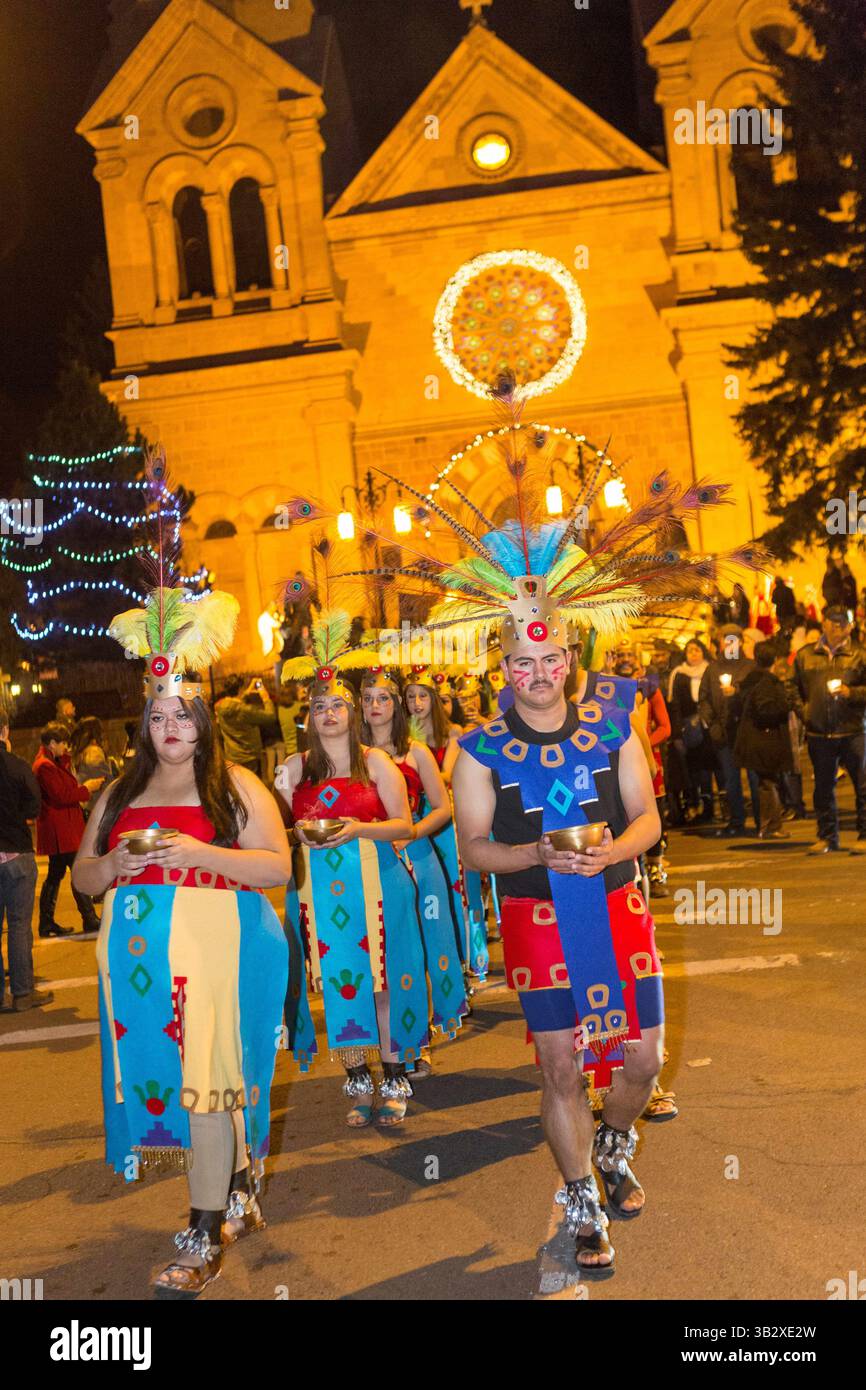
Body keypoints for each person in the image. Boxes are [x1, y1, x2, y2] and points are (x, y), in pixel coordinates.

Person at [76, 505, 289, 1300]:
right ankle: (232, 1186)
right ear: (145, 721)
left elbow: (278, 869)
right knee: (186, 1075)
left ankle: (200, 1232)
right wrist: (117, 867)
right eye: (158, 714)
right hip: (136, 959)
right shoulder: (120, 790)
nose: (171, 726)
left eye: (183, 714)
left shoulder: (233, 785)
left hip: (223, 947)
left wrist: (201, 855)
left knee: (207, 1075)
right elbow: (82, 879)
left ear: (204, 718)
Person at [277, 613, 428, 1127]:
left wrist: (357, 829)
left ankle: (394, 1075)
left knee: (382, 981)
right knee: (341, 982)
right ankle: (358, 1079)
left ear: (352, 712)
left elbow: (404, 826)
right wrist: (289, 818)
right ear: (310, 716)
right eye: (319, 707)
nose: (328, 714)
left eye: (337, 704)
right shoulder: (296, 769)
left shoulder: (377, 764)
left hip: (379, 885)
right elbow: (281, 834)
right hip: (320, 892)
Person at [360, 668, 469, 1073]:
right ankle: (385, 1042)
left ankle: (415, 1042)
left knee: (417, 952)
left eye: (384, 698)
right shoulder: (350, 753)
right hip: (370, 862)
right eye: (368, 699)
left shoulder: (415, 751)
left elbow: (443, 808)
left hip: (417, 860)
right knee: (382, 957)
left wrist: (411, 832)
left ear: (397, 705)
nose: (375, 707)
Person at [404, 667, 487, 982]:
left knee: (460, 889)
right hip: (413, 817)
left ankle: (472, 959)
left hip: (446, 819)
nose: (417, 703)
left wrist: (409, 766)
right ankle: (436, 961)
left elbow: (447, 775)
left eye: (423, 696)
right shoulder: (402, 739)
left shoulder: (451, 732)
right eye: (410, 697)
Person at [794, 606, 866, 854]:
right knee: (823, 788)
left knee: (863, 784)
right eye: (832, 622)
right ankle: (827, 837)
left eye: (842, 623)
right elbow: (792, 688)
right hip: (819, 732)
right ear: (823, 623)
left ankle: (864, 834)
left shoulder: (859, 654)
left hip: (853, 730)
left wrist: (852, 693)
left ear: (850, 626)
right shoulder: (805, 655)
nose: (837, 627)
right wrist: (805, 711)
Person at [0, 713, 52, 1013]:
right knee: (19, 925)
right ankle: (22, 993)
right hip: (16, 852)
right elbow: (34, 805)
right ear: (4, 729)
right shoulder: (17, 766)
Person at [33, 722, 102, 936]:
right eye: (63, 743)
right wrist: (86, 789)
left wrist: (64, 759)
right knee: (75, 872)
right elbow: (62, 795)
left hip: (62, 830)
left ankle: (47, 922)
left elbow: (64, 787)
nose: (66, 747)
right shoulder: (44, 766)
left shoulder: (51, 762)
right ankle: (88, 918)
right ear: (52, 743)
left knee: (56, 875)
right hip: (60, 830)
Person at [698, 626, 760, 836]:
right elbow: (704, 697)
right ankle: (736, 821)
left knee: (754, 777)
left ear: (741, 642)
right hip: (723, 732)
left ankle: (762, 820)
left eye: (733, 640)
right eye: (726, 640)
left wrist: (738, 692)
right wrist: (712, 723)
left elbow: (758, 694)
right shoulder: (713, 668)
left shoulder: (750, 666)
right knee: (731, 779)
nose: (729, 644)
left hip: (747, 731)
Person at [733, 641, 793, 839]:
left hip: (755, 739)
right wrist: (785, 706)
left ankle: (768, 824)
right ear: (774, 660)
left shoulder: (750, 680)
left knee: (764, 782)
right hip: (765, 739)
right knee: (768, 782)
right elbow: (765, 710)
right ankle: (771, 825)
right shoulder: (766, 682)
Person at [667, 638, 714, 823]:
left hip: (707, 727)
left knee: (707, 771)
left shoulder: (710, 670)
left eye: (697, 650)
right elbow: (675, 705)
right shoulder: (679, 674)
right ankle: (694, 806)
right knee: (692, 771)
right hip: (688, 729)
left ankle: (710, 807)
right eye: (690, 650)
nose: (694, 654)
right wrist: (678, 732)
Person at [214, 674, 277, 775]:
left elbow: (235, 703)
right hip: (249, 758)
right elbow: (270, 716)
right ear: (240, 689)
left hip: (233, 757)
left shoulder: (220, 707)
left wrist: (247, 692)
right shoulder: (244, 710)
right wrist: (266, 698)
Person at [72, 716, 116, 805]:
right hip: (97, 804)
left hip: (89, 803)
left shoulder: (82, 751)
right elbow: (105, 782)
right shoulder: (94, 752)